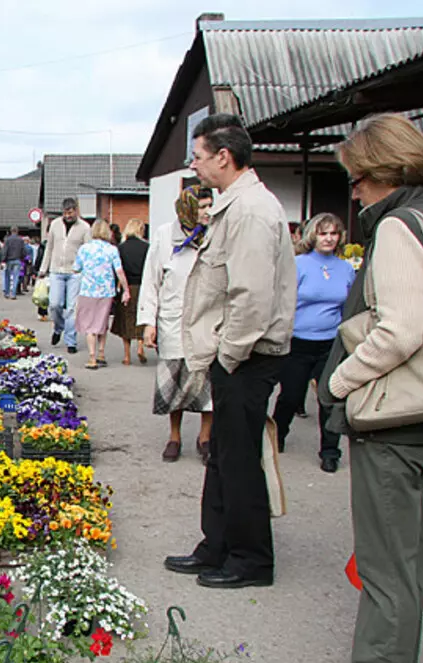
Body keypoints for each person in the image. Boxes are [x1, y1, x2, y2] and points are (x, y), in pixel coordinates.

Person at [309, 113, 423, 663]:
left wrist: (340, 382)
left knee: (389, 564)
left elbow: (398, 331)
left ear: (384, 173)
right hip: (420, 417)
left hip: (395, 418)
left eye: (357, 178)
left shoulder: (401, 228)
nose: (352, 191)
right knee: (393, 557)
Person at [163, 113, 296, 590]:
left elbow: (252, 297)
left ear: (224, 156)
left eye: (197, 157)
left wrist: (228, 355)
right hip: (236, 354)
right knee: (222, 456)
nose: (194, 166)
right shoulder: (233, 205)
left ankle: (250, 559)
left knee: (238, 461)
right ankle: (216, 545)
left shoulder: (252, 211)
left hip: (247, 355)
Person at [271, 213, 356, 473]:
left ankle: (330, 451)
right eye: (323, 233)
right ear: (313, 236)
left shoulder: (346, 269)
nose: (329, 238)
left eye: (333, 233)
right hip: (298, 342)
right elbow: (282, 300)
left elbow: (349, 307)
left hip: (330, 344)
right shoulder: (299, 264)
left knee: (328, 399)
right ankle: (277, 435)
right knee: (291, 395)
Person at [138, 187, 215, 463]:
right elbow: (151, 280)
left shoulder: (216, 234)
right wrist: (148, 322)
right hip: (173, 318)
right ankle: (175, 436)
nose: (207, 212)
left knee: (207, 383)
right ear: (187, 209)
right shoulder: (164, 237)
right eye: (202, 206)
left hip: (207, 321)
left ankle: (205, 437)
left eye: (209, 205)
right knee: (174, 381)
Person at [39, 198, 92, 354]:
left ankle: (71, 340)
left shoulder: (84, 227)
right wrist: (43, 268)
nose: (67, 216)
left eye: (70, 212)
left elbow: (87, 251)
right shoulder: (55, 224)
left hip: (74, 273)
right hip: (56, 270)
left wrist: (85, 271)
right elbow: (49, 248)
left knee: (71, 308)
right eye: (65, 213)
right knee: (54, 304)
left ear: (76, 211)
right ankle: (58, 327)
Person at [74, 219, 129, 369]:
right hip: (106, 291)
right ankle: (101, 353)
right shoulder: (112, 249)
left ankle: (92, 357)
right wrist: (126, 289)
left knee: (90, 325)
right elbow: (119, 271)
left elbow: (76, 267)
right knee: (102, 322)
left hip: (88, 290)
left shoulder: (84, 249)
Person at [113, 218, 150, 365]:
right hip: (142, 286)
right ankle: (140, 347)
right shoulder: (147, 247)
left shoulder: (121, 248)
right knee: (141, 318)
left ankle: (127, 356)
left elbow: (117, 269)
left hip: (126, 288)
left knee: (125, 322)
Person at [1, 225, 27, 300]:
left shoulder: (7, 240)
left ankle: (7, 293)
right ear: (17, 231)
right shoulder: (21, 240)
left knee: (7, 277)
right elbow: (24, 251)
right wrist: (22, 258)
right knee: (16, 277)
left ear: (11, 231)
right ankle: (13, 294)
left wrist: (3, 260)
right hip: (18, 260)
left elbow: (4, 250)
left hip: (9, 260)